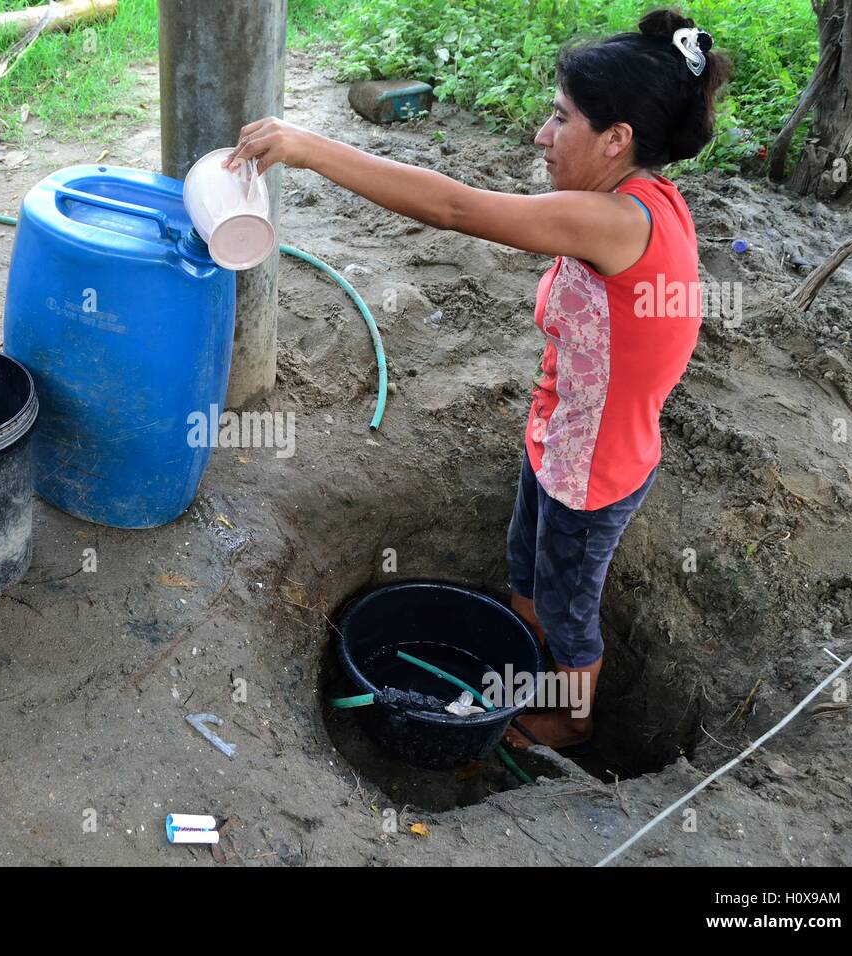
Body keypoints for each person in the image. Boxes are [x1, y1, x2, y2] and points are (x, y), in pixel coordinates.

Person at [224, 10, 729, 748]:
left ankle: (569, 721)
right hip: (558, 439)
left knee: (568, 609)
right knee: (528, 572)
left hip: (595, 470)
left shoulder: (614, 222)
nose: (541, 136)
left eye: (561, 120)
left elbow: (456, 208)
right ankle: (519, 657)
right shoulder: (645, 197)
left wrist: (307, 147)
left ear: (617, 139)